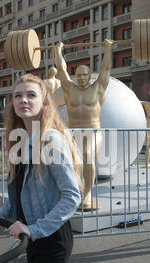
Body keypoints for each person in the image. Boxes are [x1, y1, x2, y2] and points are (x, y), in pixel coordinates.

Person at [0, 74, 82, 263]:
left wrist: (35, 229)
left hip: (51, 239)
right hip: (34, 241)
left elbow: (71, 196)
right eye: (18, 96)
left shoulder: (50, 140)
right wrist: (3, 213)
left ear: (44, 102)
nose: (23, 100)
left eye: (31, 95)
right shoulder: (19, 142)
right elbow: (20, 192)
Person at [54, 39, 113, 209]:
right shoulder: (69, 88)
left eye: (84, 74)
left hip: (93, 131)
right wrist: (58, 51)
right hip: (73, 132)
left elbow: (106, 68)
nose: (81, 77)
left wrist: (108, 49)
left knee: (87, 155)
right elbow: (61, 70)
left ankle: (87, 194)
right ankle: (73, 191)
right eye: (78, 75)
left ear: (90, 76)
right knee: (70, 162)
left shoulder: (98, 88)